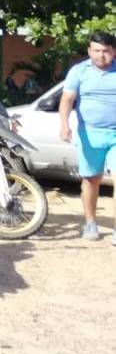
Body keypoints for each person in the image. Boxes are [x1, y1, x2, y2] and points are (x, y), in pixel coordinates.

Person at [59, 31, 116, 244]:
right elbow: (67, 99)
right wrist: (64, 125)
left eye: (106, 51)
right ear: (89, 51)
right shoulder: (79, 71)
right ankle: (91, 223)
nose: (101, 55)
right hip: (90, 133)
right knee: (92, 180)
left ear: (114, 51)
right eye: (97, 51)